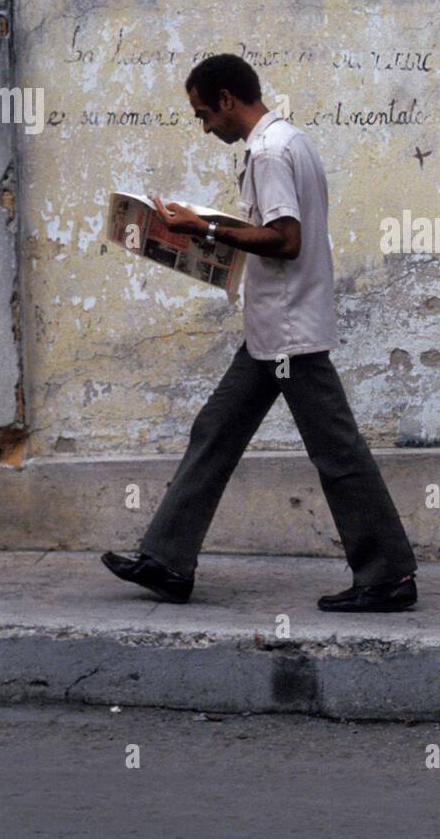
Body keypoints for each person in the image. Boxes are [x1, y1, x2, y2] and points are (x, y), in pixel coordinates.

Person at [102, 54, 418, 612]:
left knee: (336, 451)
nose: (205, 126)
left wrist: (203, 226)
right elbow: (275, 233)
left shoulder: (270, 152)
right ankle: (168, 561)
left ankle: (388, 575)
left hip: (290, 331)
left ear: (227, 99)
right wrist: (209, 231)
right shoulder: (287, 142)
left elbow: (284, 239)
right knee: (215, 431)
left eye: (204, 114)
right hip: (272, 329)